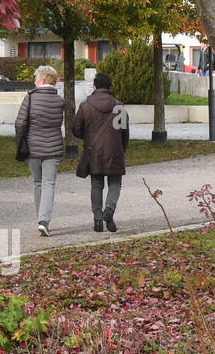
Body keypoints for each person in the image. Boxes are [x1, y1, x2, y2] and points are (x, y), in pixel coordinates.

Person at [73, 72, 130, 233]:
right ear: (110, 87)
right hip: (115, 151)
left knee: (96, 184)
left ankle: (98, 218)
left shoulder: (86, 106)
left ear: (95, 86)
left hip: (94, 151)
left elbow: (76, 130)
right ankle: (109, 210)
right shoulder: (119, 106)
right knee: (115, 183)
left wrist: (89, 137)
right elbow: (124, 132)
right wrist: (121, 149)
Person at [14, 65, 66, 237]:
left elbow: (20, 123)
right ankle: (44, 220)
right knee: (49, 184)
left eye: (36, 78)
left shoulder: (30, 98)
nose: (34, 81)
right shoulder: (60, 101)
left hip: (33, 148)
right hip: (53, 149)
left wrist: (20, 140)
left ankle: (40, 219)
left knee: (37, 182)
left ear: (42, 80)